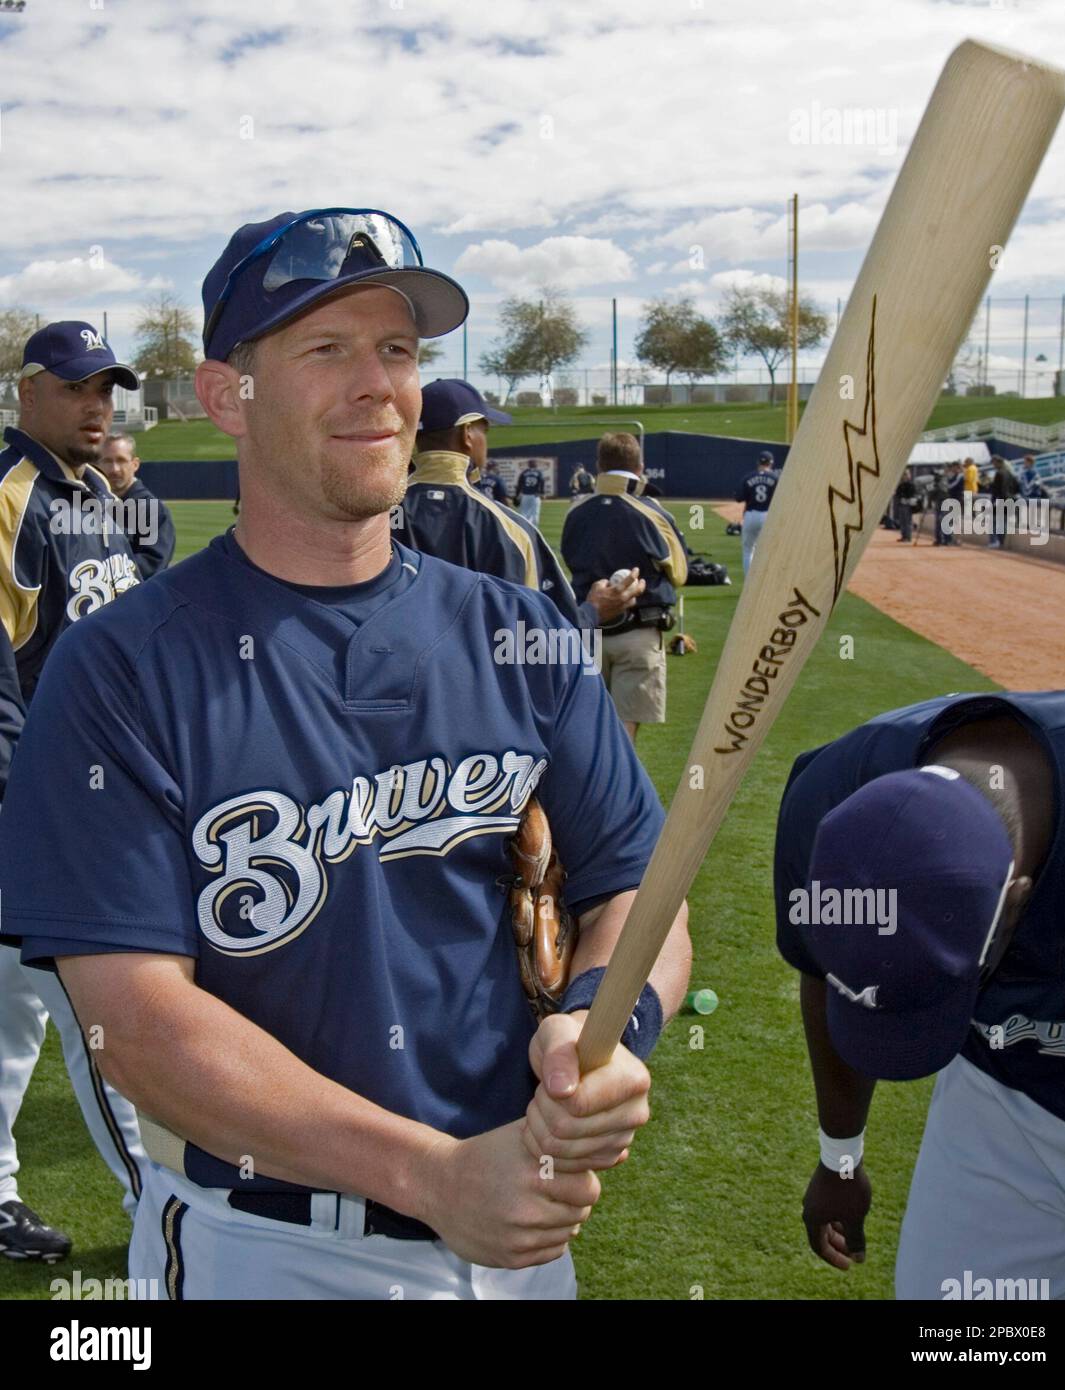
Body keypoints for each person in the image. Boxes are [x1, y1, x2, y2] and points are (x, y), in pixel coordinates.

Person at [0, 209, 691, 1301]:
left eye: (400, 350)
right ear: (229, 394)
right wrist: (431, 1173)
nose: (379, 385)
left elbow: (638, 887)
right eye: (327, 349)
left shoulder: (519, 634)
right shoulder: (120, 667)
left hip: (522, 1229)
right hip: (269, 1246)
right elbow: (131, 1022)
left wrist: (607, 1022)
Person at [774, 690, 1065, 1300]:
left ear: (1016, 901)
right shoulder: (830, 796)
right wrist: (840, 1155)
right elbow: (824, 972)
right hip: (1008, 1100)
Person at [0, 322, 148, 1262]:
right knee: (112, 1023)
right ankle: (168, 1216)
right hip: (46, 817)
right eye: (77, 387)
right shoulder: (10, 501)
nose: (98, 406)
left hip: (106, 803)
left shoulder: (94, 495)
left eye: (109, 389)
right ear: (26, 393)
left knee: (9, 1017)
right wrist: (39, 817)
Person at [394, 379, 640, 630]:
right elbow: (544, 636)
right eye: (484, 430)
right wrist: (592, 612)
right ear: (467, 433)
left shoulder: (376, 515)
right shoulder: (510, 529)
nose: (485, 440)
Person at [561, 432, 688, 744]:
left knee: (586, 727)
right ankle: (615, 792)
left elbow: (568, 558)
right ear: (640, 467)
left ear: (598, 466)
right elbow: (680, 573)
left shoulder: (576, 510)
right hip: (638, 632)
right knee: (623, 735)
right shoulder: (652, 511)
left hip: (588, 631)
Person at [96, 433, 177, 578]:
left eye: (121, 460)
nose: (115, 469)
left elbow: (152, 564)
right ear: (97, 465)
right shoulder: (91, 506)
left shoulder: (152, 510)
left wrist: (101, 574)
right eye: (107, 461)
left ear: (135, 464)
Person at [737, 450, 779, 576]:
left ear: (758, 462)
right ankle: (767, 580)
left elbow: (739, 497)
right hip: (768, 515)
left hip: (751, 515)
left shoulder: (748, 477)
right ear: (771, 463)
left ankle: (748, 585)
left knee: (748, 550)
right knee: (769, 549)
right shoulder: (775, 478)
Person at [987, 454, 1019, 549]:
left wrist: (993, 500)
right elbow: (1017, 487)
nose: (993, 465)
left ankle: (994, 541)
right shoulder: (1010, 474)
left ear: (998, 462)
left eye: (994, 463)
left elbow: (997, 489)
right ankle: (1001, 542)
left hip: (1000, 500)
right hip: (1009, 499)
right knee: (1003, 522)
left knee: (994, 521)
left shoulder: (999, 474)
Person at [515, 460, 547, 526]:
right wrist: (542, 492)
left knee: (523, 513)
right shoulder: (539, 472)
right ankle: (534, 531)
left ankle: (523, 529)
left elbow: (519, 484)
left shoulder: (524, 473)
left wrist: (517, 495)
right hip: (535, 496)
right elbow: (542, 482)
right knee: (535, 514)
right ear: (535, 465)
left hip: (525, 495)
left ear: (529, 465)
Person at [893, 467, 917, 542]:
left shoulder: (911, 485)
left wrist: (906, 500)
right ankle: (903, 536)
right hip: (901, 505)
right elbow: (897, 494)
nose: (905, 476)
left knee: (907, 522)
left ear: (909, 475)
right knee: (902, 521)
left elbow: (913, 496)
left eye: (906, 474)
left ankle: (908, 537)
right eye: (904, 474)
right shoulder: (901, 485)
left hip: (907, 505)